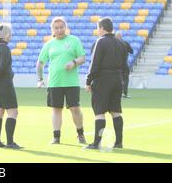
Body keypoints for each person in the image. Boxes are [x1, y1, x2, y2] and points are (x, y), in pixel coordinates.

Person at [36, 17, 87, 145]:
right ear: (52, 30)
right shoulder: (49, 44)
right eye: (56, 28)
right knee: (56, 110)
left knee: (75, 109)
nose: (59, 30)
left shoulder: (74, 40)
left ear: (66, 27)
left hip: (72, 83)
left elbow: (83, 58)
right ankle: (56, 137)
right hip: (54, 83)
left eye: (61, 27)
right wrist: (40, 79)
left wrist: (73, 62)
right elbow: (40, 63)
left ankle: (80, 134)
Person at [85, 17, 128, 150]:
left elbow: (95, 64)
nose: (97, 30)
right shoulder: (121, 43)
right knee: (116, 112)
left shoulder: (100, 42)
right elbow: (125, 66)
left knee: (99, 112)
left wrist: (88, 81)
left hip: (103, 80)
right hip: (117, 80)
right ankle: (119, 142)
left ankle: (96, 143)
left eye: (98, 27)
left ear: (102, 28)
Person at [115, 31, 134, 98]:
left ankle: (116, 93)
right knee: (125, 79)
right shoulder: (125, 43)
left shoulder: (113, 44)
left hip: (116, 65)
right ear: (121, 36)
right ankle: (124, 93)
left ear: (116, 36)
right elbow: (131, 51)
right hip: (124, 64)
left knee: (116, 79)